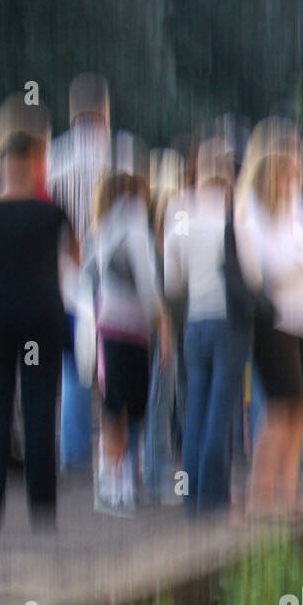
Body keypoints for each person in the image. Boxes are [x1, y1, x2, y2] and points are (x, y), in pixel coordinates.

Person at [0, 95, 75, 525]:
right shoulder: (53, 214)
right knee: (37, 407)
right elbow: (76, 258)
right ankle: (42, 504)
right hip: (38, 318)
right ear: (35, 162)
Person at [235, 118, 303, 519]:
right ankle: (259, 498)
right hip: (274, 320)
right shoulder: (250, 213)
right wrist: (295, 265)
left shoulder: (296, 208)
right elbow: (261, 271)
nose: (293, 172)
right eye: (286, 165)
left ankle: (288, 497)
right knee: (279, 406)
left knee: (299, 407)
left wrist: (298, 263)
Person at [83, 137, 170, 515]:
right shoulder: (135, 227)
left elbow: (85, 276)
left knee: (111, 405)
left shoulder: (100, 231)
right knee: (130, 406)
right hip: (133, 328)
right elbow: (149, 282)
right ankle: (118, 483)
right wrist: (163, 325)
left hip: (105, 325)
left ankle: (111, 478)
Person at [164, 137, 249, 516]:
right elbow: (252, 276)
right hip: (228, 323)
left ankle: (192, 496)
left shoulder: (183, 222)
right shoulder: (233, 221)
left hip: (194, 324)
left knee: (194, 410)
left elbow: (171, 280)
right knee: (220, 410)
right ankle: (216, 497)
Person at [48, 74, 111, 477]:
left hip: (66, 275)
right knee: (116, 361)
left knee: (74, 364)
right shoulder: (119, 156)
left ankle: (73, 452)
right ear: (104, 111)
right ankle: (119, 455)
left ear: (72, 113)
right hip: (110, 272)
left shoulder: (53, 158)